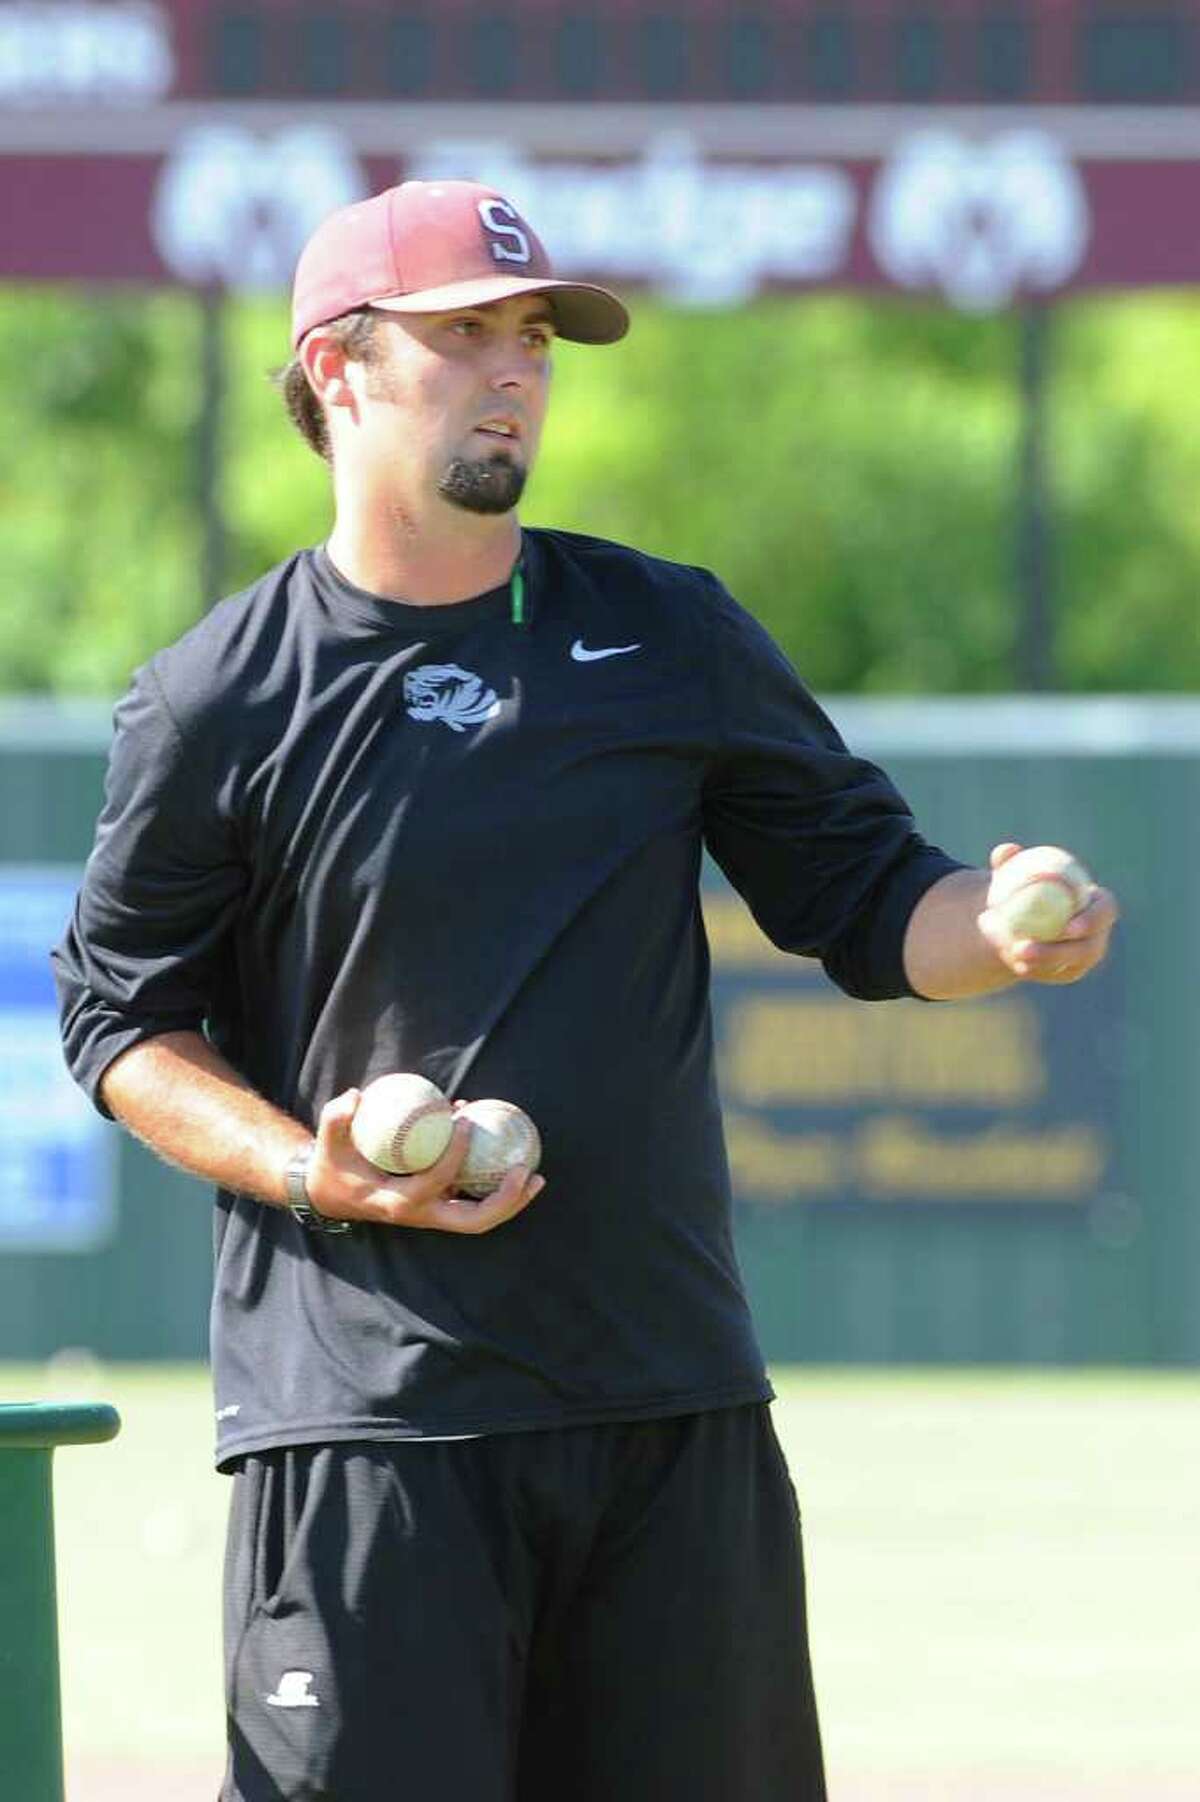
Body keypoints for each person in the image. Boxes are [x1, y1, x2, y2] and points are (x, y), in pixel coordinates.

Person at [53, 180, 1117, 1802]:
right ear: (337, 370)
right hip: (368, 1433)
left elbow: (875, 902)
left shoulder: (665, 630)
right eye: (464, 333)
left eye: (535, 335)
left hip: (666, 1415)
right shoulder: (215, 699)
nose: (515, 371)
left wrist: (1006, 927)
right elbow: (119, 1019)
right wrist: (303, 1164)